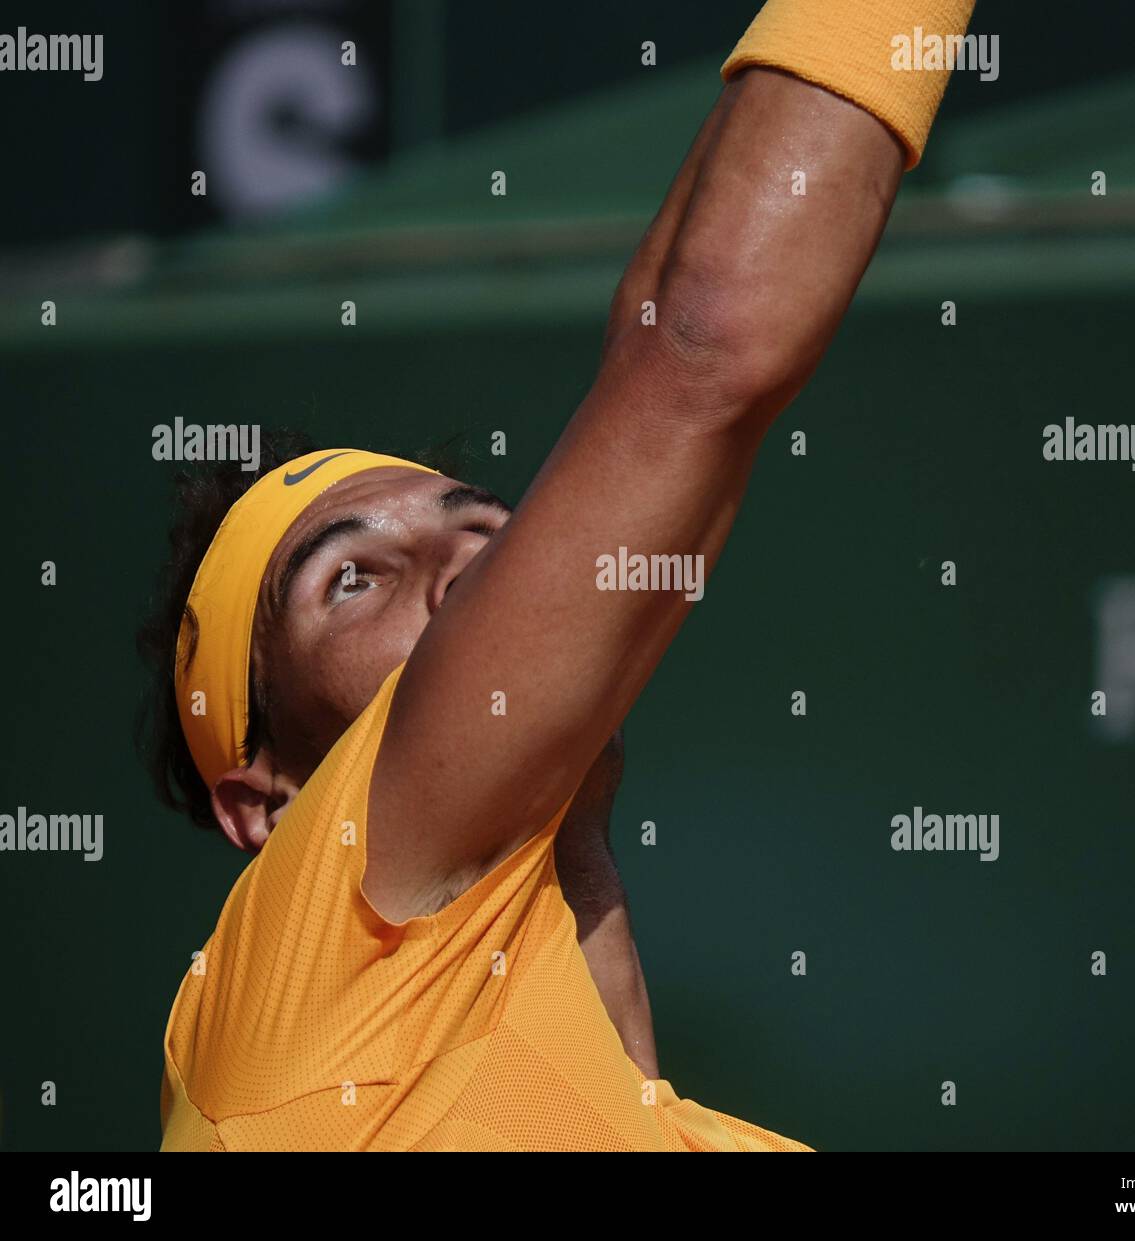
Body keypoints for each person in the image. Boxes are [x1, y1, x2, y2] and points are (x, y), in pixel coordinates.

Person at [141, 0, 973, 1151]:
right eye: (352, 583)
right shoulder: (289, 1003)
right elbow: (697, 344)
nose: (462, 580)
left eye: (485, 531)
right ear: (270, 799)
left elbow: (659, 340)